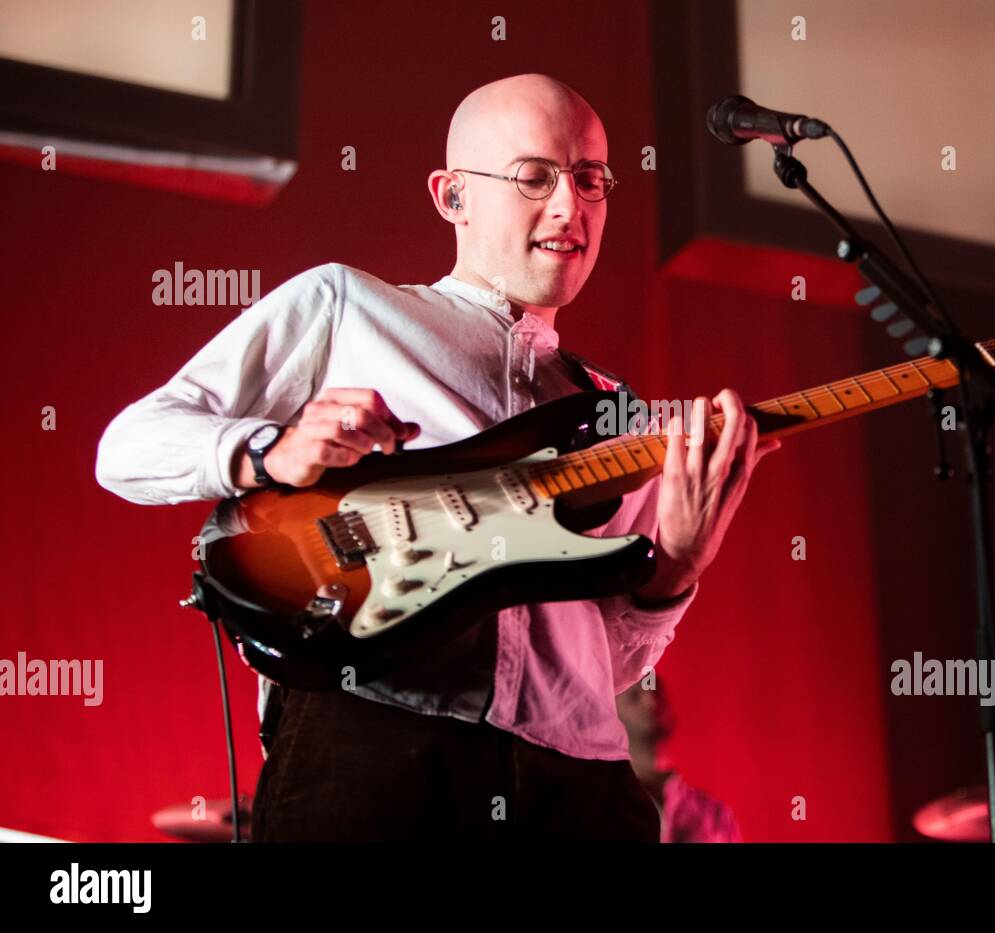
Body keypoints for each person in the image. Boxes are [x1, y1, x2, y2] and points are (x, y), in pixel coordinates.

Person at [95, 73, 778, 841]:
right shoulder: (347, 307)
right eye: (534, 176)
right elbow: (128, 447)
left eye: (591, 180)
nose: (569, 207)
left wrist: (676, 570)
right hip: (376, 743)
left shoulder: (616, 411)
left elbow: (600, 669)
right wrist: (270, 452)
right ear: (453, 195)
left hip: (581, 783)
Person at [616, 677, 742, 842]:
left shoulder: (713, 814)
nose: (649, 699)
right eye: (635, 695)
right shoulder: (599, 804)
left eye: (655, 689)